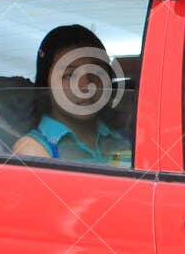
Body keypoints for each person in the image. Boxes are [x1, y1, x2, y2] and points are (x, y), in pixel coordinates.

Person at [12, 26, 133, 166]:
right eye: (69, 75)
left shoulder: (126, 140)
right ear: (46, 85)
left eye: (95, 72)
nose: (85, 85)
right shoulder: (32, 149)